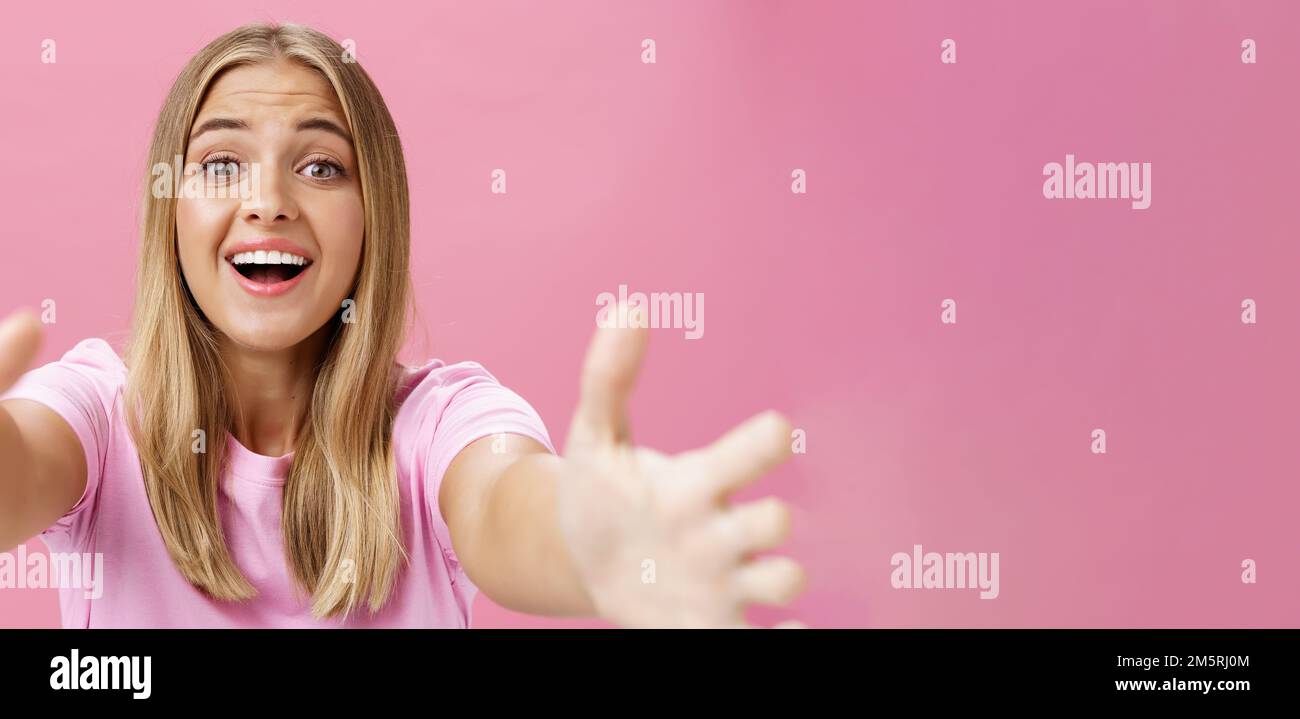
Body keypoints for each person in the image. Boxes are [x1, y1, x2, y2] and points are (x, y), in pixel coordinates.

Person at [0, 22, 804, 628]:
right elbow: (19, 470)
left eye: (320, 166)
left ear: (372, 218)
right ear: (168, 213)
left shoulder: (443, 425)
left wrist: (587, 546)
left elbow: (505, 503)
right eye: (220, 164)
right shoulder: (99, 415)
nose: (269, 199)